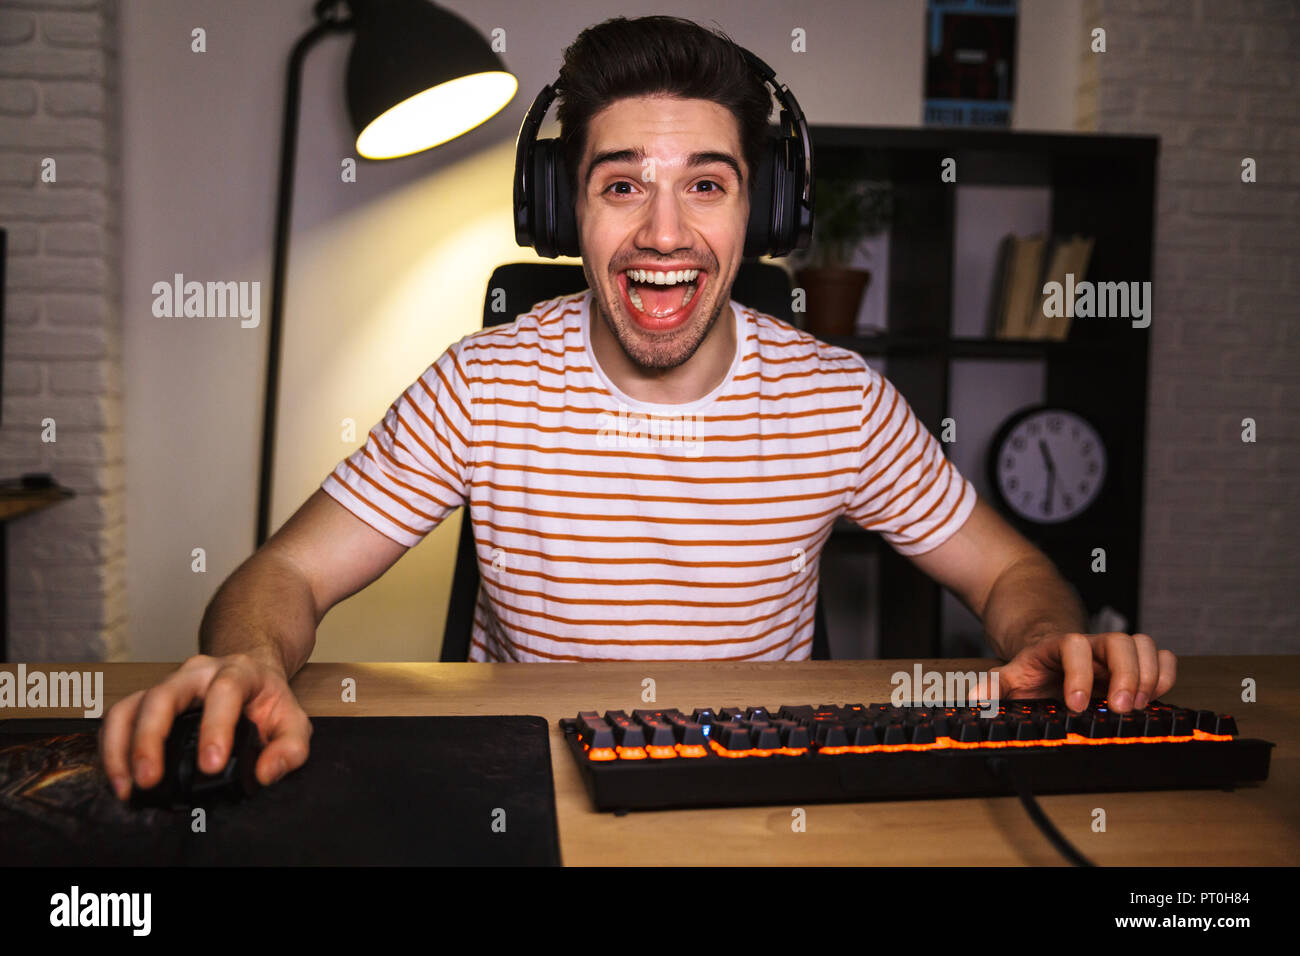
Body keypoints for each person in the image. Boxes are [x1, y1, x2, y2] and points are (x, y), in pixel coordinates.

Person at [100, 15, 1176, 800]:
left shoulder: (839, 400)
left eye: (706, 184)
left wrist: (1047, 635)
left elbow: (1011, 571)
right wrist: (246, 658)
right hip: (527, 790)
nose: (664, 233)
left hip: (764, 802)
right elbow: (280, 574)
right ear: (566, 209)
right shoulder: (481, 384)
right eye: (622, 185)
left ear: (765, 209)